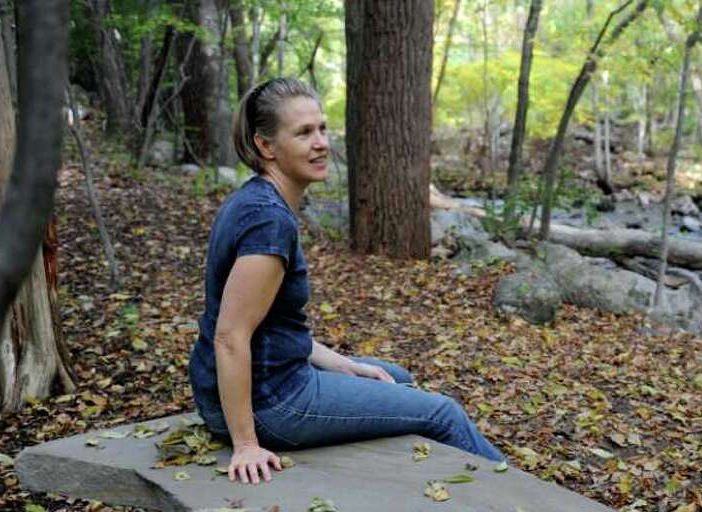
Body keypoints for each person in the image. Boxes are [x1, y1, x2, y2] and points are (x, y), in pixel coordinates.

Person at [189, 77, 505, 484]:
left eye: (322, 129)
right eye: (304, 133)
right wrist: (246, 444)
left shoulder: (255, 200)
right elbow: (229, 336)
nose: (321, 143)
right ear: (266, 146)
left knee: (396, 377)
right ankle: (519, 502)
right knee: (444, 414)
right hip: (271, 403)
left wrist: (345, 365)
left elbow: (273, 329)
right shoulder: (268, 222)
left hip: (260, 384)